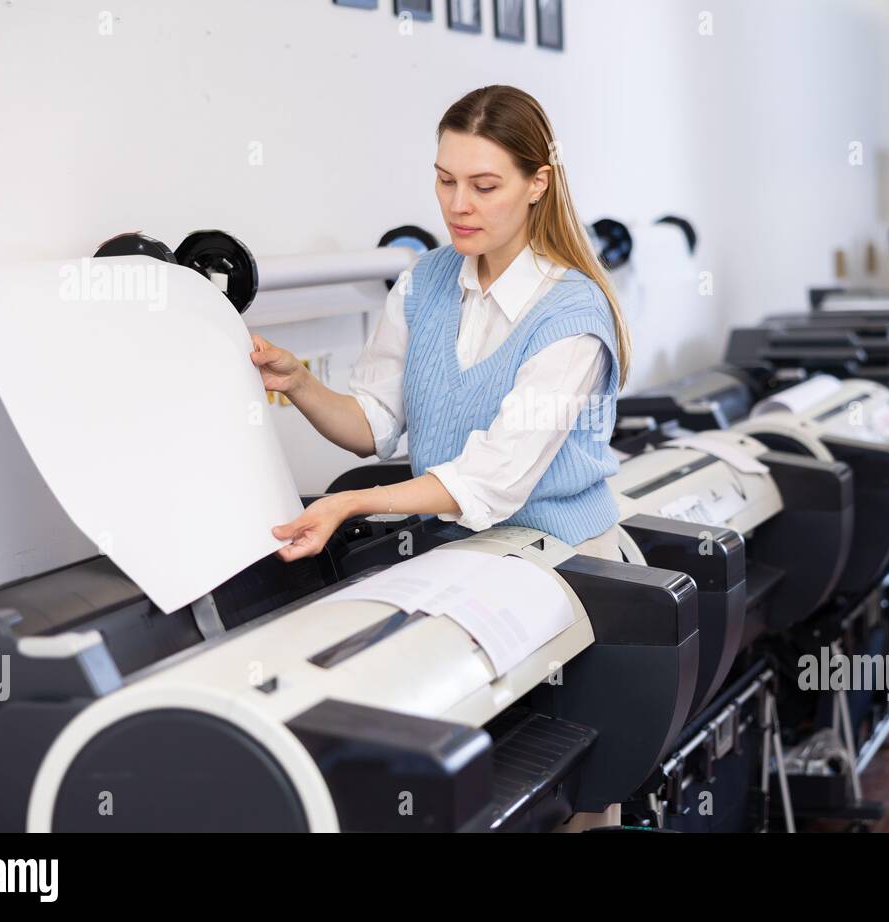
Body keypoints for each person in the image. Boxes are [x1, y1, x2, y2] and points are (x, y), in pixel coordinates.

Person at [249, 85, 631, 828]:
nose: (458, 204)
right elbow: (374, 421)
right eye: (445, 179)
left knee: (567, 806)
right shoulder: (424, 282)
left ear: (536, 185)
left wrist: (352, 501)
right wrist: (299, 384)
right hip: (463, 566)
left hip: (567, 568)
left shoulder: (572, 318)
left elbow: (491, 477)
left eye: (484, 186)